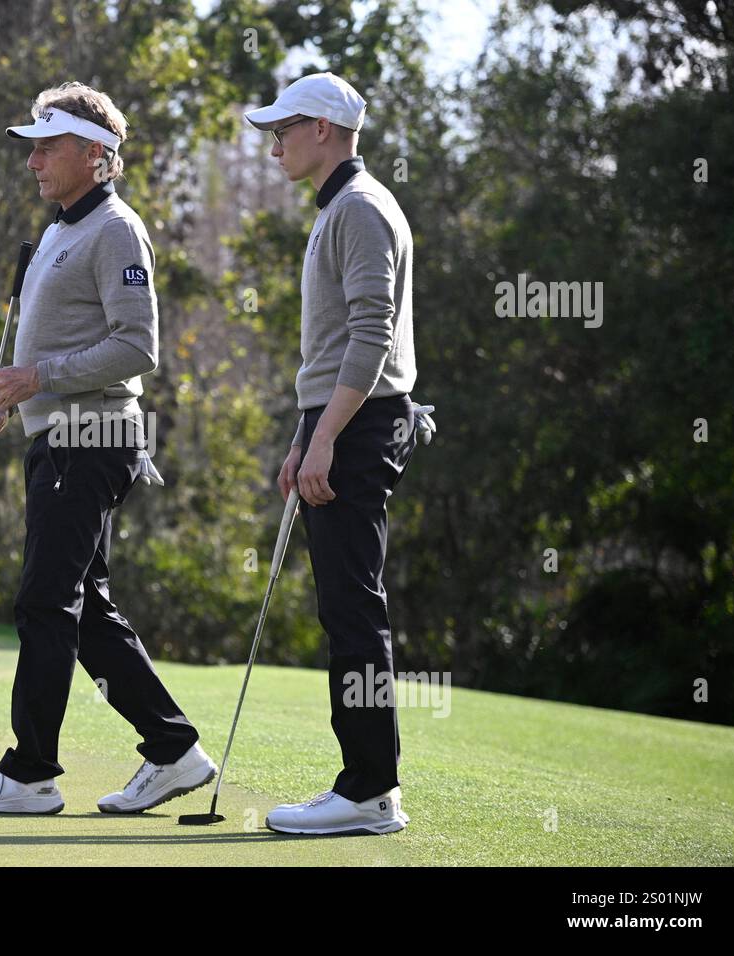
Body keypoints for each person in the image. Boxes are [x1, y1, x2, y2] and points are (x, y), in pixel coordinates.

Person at [0, 82, 215, 815]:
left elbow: (136, 346)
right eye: (32, 147)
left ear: (97, 154)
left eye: (47, 146)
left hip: (93, 440)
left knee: (45, 601)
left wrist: (38, 379)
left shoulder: (117, 229)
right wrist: (4, 402)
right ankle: (173, 749)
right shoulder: (59, 229)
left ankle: (29, 775)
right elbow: (43, 350)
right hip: (55, 437)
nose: (33, 161)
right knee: (84, 609)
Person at [244, 73, 420, 835]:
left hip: (359, 426)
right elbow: (333, 349)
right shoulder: (341, 208)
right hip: (338, 422)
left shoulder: (359, 208)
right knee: (345, 608)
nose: (274, 144)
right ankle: (363, 783)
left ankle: (370, 789)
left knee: (354, 611)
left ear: (323, 129)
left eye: (283, 129)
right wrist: (302, 436)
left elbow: (371, 337)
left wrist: (325, 438)